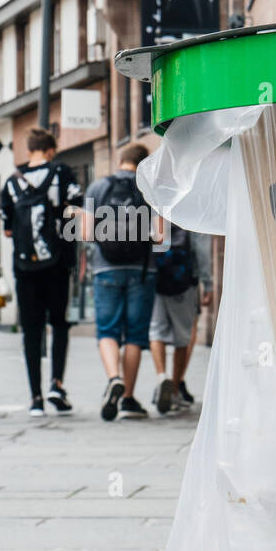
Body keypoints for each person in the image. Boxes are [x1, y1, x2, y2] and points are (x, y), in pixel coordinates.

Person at [0, 127, 82, 416]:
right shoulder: (62, 173)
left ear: (29, 150)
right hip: (58, 262)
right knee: (59, 323)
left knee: (31, 331)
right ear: (50, 150)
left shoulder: (11, 183)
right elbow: (76, 210)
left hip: (25, 268)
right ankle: (56, 385)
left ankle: (35, 399)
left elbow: (8, 229)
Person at [84, 143, 164, 420]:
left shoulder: (98, 187)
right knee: (135, 335)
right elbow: (160, 238)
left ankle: (113, 378)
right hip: (142, 270)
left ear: (120, 160)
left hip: (105, 268)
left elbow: (84, 232)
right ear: (144, 164)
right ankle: (128, 397)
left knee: (107, 331)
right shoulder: (151, 188)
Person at [150, 228, 213, 413]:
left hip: (158, 275)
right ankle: (175, 391)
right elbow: (201, 247)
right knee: (183, 337)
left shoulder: (156, 203)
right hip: (184, 278)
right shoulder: (192, 205)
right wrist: (207, 282)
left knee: (156, 331)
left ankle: (162, 375)